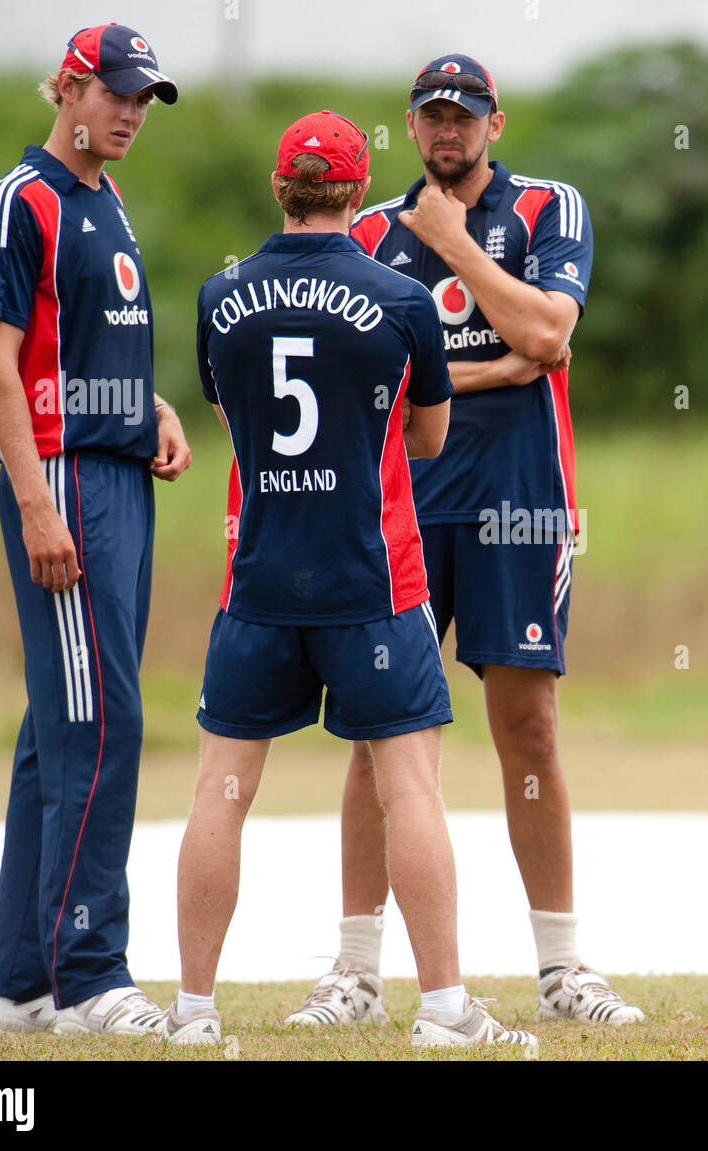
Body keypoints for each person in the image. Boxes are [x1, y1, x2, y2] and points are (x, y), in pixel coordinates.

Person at [162, 110, 535, 1050]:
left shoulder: (219, 294)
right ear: (361, 191)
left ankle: (195, 1012)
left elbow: (230, 414)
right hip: (376, 580)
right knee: (409, 789)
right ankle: (446, 1010)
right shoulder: (402, 298)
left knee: (220, 792)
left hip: (256, 584)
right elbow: (428, 436)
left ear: (279, 188)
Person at [287, 55, 644, 1029]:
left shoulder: (548, 208)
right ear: (409, 125)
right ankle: (355, 970)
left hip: (520, 503)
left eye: (466, 115)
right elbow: (350, 371)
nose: (450, 132)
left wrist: (455, 249)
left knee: (527, 726)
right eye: (433, 117)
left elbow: (550, 335)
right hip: (396, 513)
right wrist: (486, 367)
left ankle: (561, 964)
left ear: (496, 120)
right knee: (377, 737)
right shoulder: (363, 228)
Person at [0, 23, 189, 1036]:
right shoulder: (25, 200)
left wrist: (153, 413)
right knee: (102, 723)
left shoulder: (108, 196)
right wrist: (34, 500)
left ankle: (17, 981)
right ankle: (91, 975)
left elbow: (96, 342)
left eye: (143, 99)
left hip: (118, 476)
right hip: (61, 481)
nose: (131, 113)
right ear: (67, 87)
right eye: (116, 94)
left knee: (56, 729)